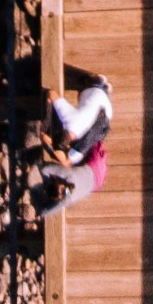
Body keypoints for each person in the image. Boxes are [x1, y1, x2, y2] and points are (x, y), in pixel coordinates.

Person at [37, 72, 111, 215]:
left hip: (106, 116)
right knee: (85, 92)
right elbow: (51, 93)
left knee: (91, 127)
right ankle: (99, 85)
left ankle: (104, 89)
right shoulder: (70, 123)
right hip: (94, 98)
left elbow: (65, 162)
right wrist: (45, 130)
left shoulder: (70, 191)